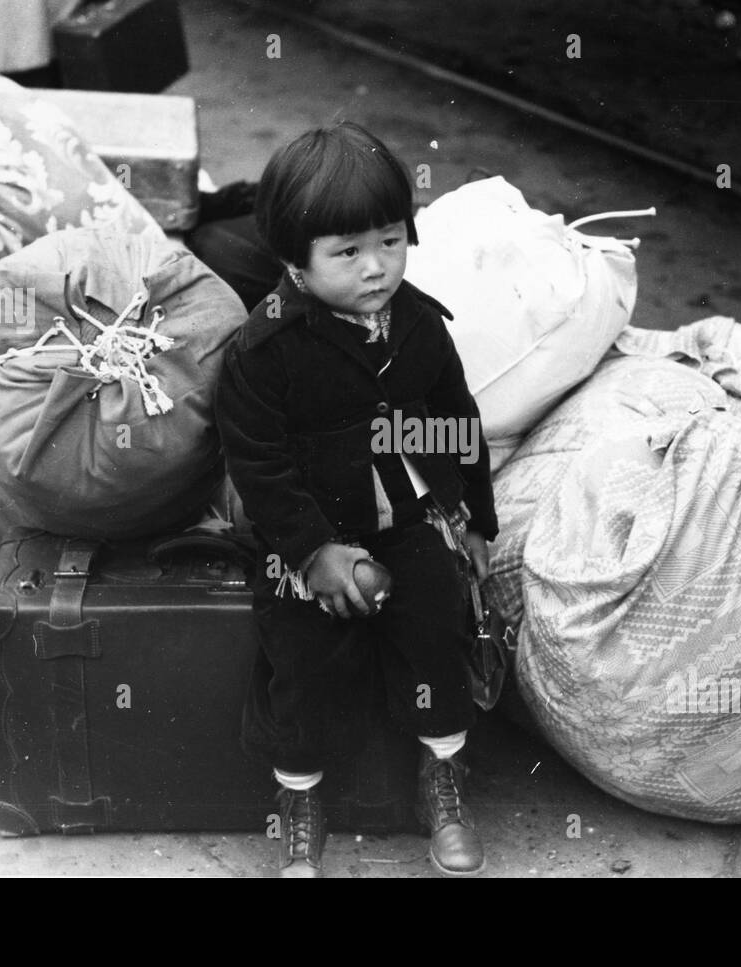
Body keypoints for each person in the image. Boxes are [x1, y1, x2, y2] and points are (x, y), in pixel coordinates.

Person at [214, 121, 499, 877]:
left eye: (391, 241)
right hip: (306, 535)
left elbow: (455, 421)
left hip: (405, 518)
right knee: (300, 655)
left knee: (439, 617)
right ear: (293, 261)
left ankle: (442, 774)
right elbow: (260, 467)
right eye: (347, 251)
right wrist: (311, 553)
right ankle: (300, 799)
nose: (376, 267)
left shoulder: (417, 325)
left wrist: (474, 520)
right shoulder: (264, 352)